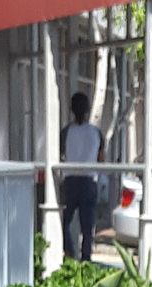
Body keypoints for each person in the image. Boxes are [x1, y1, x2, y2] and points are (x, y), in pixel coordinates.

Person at [60, 90, 103, 263]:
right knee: (87, 227)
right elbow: (101, 159)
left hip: (70, 180)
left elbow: (61, 153)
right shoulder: (96, 133)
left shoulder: (66, 132)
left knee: (64, 221)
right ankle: (86, 260)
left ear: (71, 109)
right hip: (88, 181)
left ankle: (70, 251)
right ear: (87, 110)